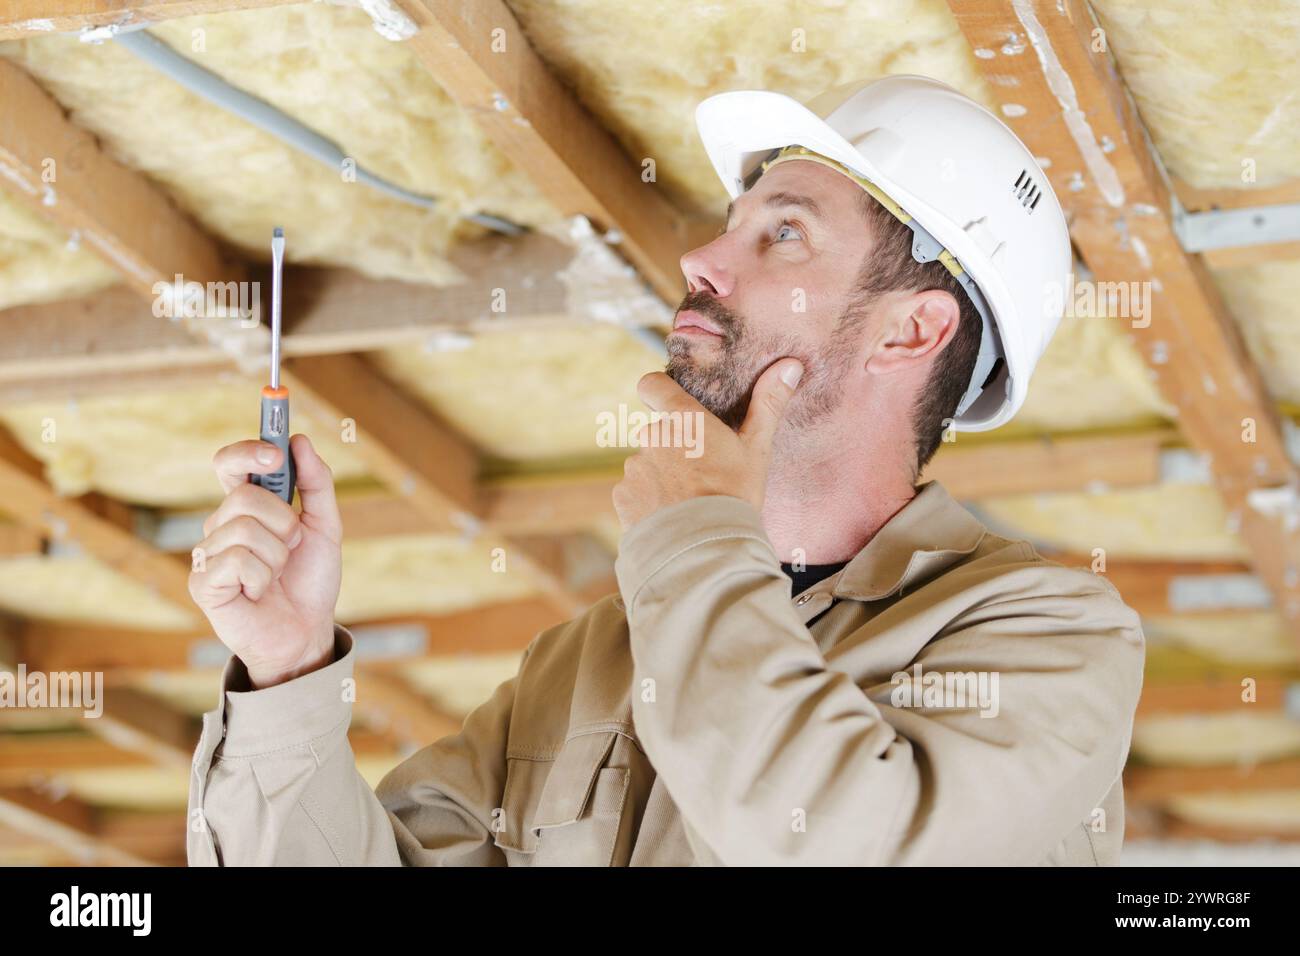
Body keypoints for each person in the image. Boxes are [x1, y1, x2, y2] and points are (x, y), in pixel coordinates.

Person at [187, 75, 1144, 866]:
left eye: (784, 233)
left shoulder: (1050, 637)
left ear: (911, 328)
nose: (700, 257)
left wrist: (696, 537)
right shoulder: (580, 665)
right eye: (732, 223)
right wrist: (286, 671)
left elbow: (838, 842)